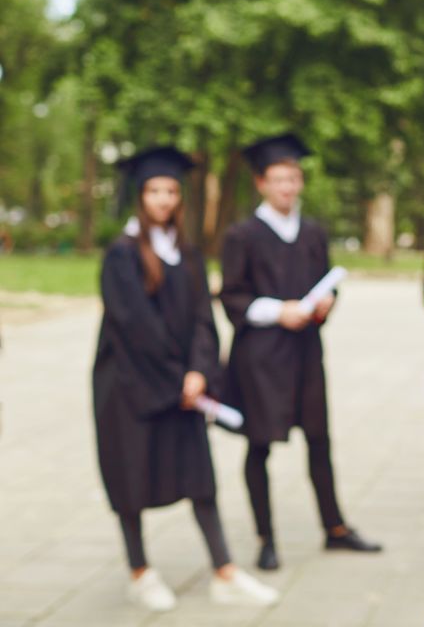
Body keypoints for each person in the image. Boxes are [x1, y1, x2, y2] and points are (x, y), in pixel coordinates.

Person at [93, 146, 278, 611]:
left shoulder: (188, 253)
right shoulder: (121, 255)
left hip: (183, 386)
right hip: (130, 387)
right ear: (140, 196)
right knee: (131, 478)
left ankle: (224, 571)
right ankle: (140, 571)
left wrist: (199, 371)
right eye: (154, 191)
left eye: (171, 191)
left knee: (199, 479)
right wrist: (181, 378)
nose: (163, 199)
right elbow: (135, 327)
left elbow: (202, 318)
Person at [219, 133, 381, 572]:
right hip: (261, 355)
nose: (287, 187)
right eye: (278, 179)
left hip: (307, 351)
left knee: (319, 438)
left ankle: (335, 528)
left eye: (293, 178)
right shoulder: (242, 235)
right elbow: (232, 297)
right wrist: (278, 311)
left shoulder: (312, 233)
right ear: (261, 184)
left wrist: (326, 305)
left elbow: (328, 283)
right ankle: (265, 537)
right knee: (259, 444)